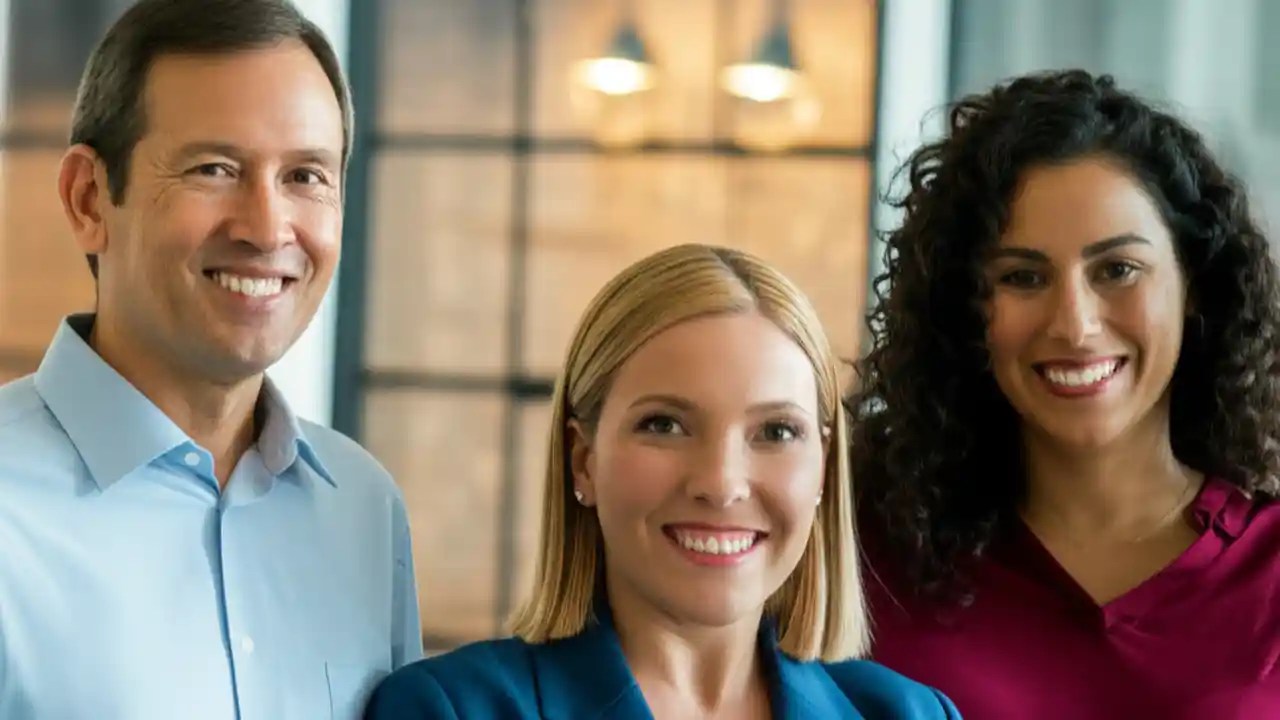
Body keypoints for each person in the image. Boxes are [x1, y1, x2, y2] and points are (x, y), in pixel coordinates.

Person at [0, 1, 421, 718]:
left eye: (306, 177)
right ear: (88, 199)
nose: (266, 228)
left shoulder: (364, 508)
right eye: (215, 168)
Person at [363, 244, 959, 719]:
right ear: (582, 459)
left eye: (776, 432)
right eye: (665, 425)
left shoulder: (911, 714)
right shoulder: (451, 710)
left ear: (824, 468)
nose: (721, 483)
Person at [849, 69, 1280, 718]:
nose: (1074, 325)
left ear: (1193, 285)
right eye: (1023, 277)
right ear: (967, 309)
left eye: (1117, 270)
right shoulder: (864, 548)